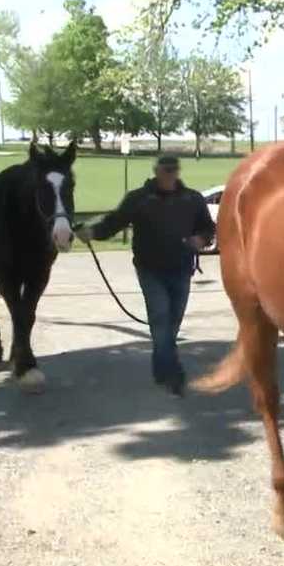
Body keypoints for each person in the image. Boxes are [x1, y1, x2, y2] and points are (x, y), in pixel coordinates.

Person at [76, 155, 215, 396]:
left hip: (182, 268)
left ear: (178, 171)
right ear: (157, 171)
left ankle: (161, 367)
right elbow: (113, 223)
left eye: (173, 169)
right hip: (150, 270)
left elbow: (208, 228)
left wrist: (201, 239)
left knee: (173, 322)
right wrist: (92, 231)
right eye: (165, 169)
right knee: (160, 317)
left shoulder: (192, 199)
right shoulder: (139, 199)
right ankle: (173, 372)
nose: (170, 174)